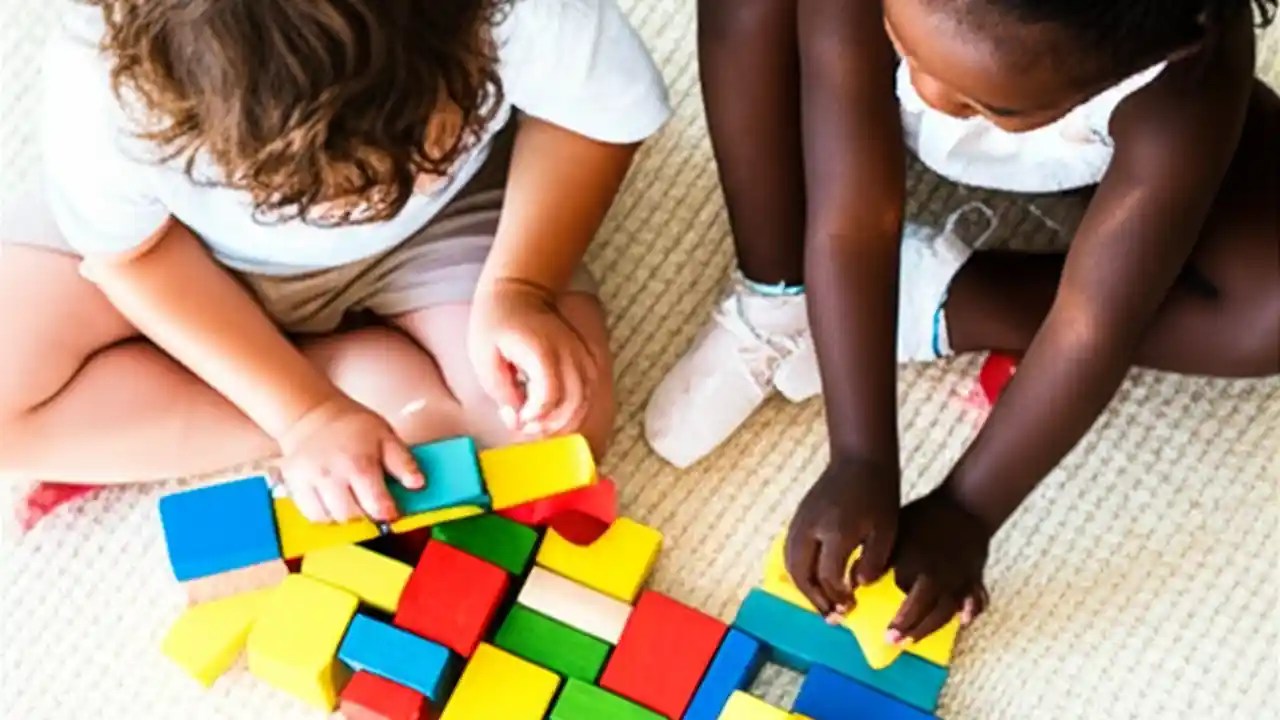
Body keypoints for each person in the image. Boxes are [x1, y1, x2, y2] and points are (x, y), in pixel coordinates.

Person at [648, 0, 1279, 643]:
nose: (926, 92)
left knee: (1272, 309)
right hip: (835, 81)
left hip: (1099, 135)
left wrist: (967, 509)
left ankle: (931, 299)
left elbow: (1093, 323)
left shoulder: (1186, 64)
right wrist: (861, 455)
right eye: (908, 49)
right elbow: (855, 214)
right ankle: (779, 293)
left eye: (987, 104)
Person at [0, 0, 669, 524]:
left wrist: (522, 284)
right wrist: (304, 415)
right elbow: (133, 259)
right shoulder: (106, 81)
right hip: (182, 250)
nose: (363, 205)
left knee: (548, 446)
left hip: (440, 231)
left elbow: (599, 116)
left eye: (416, 159)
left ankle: (308, 397)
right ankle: (343, 390)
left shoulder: (521, 13)